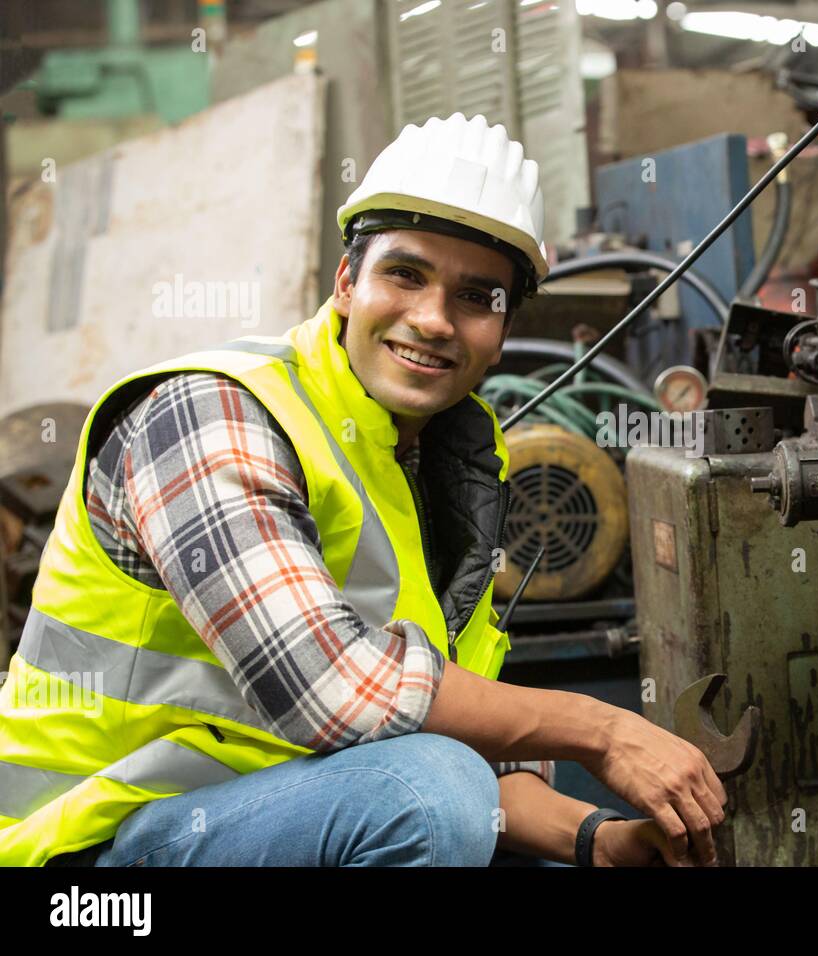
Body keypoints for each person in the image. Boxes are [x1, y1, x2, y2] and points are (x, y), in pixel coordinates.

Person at [0, 113, 724, 867]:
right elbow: (333, 693)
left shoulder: (444, 468)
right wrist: (601, 728)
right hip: (80, 855)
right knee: (426, 793)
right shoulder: (210, 414)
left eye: (478, 298)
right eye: (405, 274)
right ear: (347, 282)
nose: (434, 320)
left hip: (257, 825)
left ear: (503, 330)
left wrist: (597, 842)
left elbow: (461, 758)